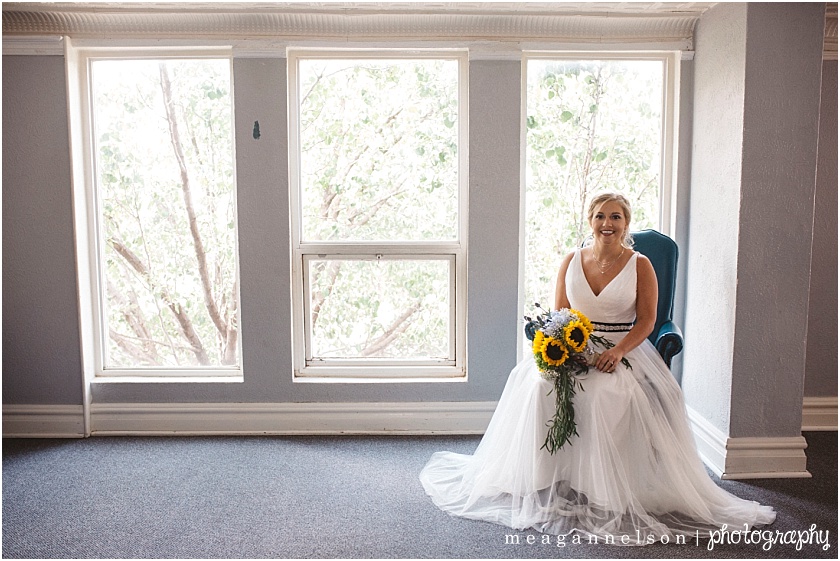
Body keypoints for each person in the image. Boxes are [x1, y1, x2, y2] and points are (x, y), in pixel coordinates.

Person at [419, 192, 775, 543]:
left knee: (604, 394)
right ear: (590, 221)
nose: (608, 223)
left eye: (616, 216)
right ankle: (544, 478)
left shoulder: (641, 264)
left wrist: (618, 352)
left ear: (626, 223)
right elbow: (560, 313)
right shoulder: (571, 259)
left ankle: (600, 488)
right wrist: (561, 349)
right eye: (601, 216)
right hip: (576, 345)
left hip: (623, 348)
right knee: (539, 385)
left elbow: (648, 321)